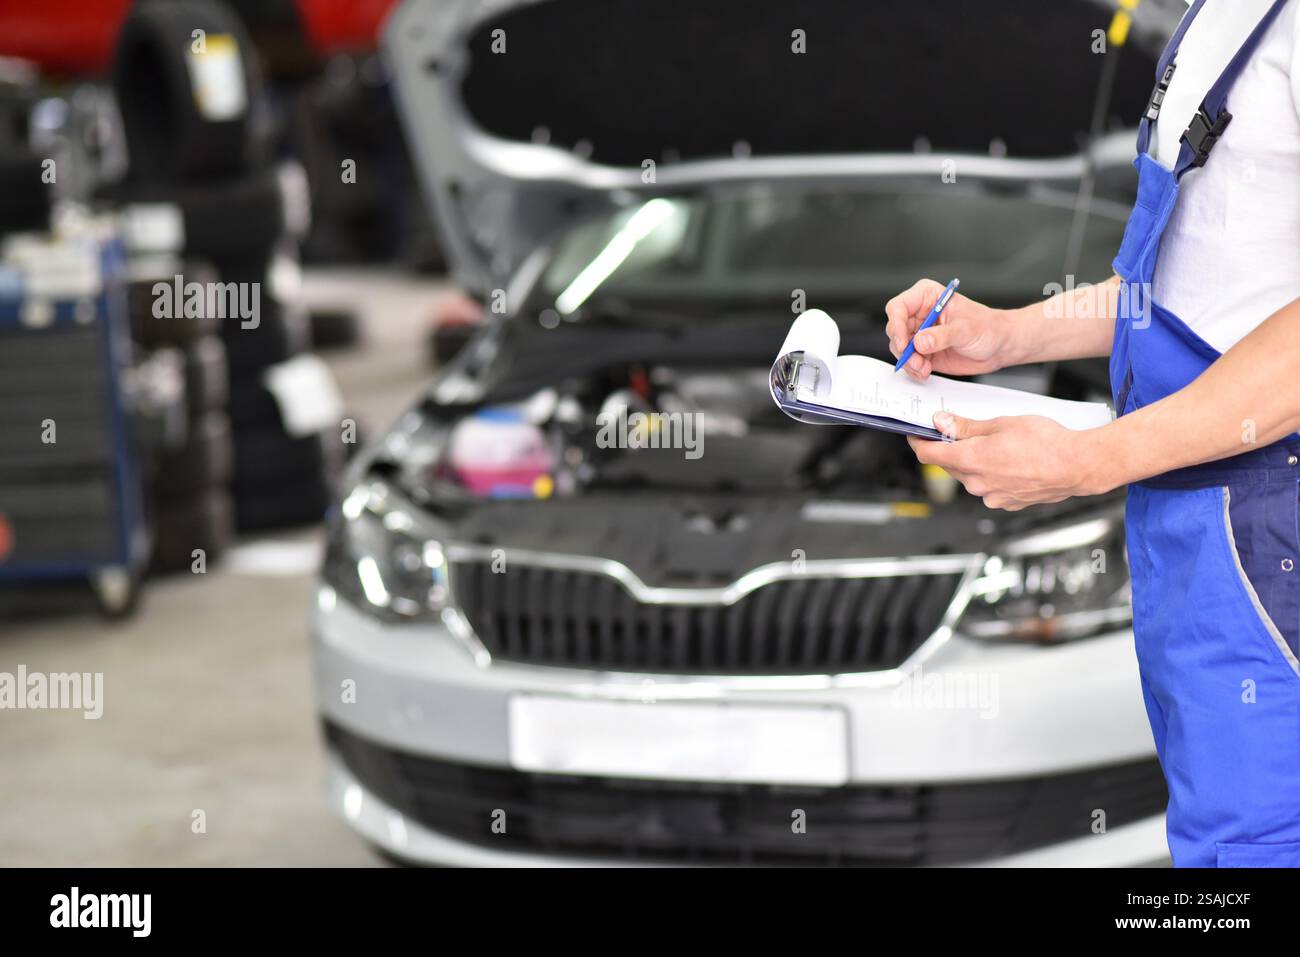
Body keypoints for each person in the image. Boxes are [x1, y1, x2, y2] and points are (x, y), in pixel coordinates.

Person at [885, 0, 1300, 867]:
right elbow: (1183, 294)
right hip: (1187, 515)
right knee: (1212, 841)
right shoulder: (1215, 16)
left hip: (1269, 535)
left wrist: (1086, 460)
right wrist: (1003, 334)